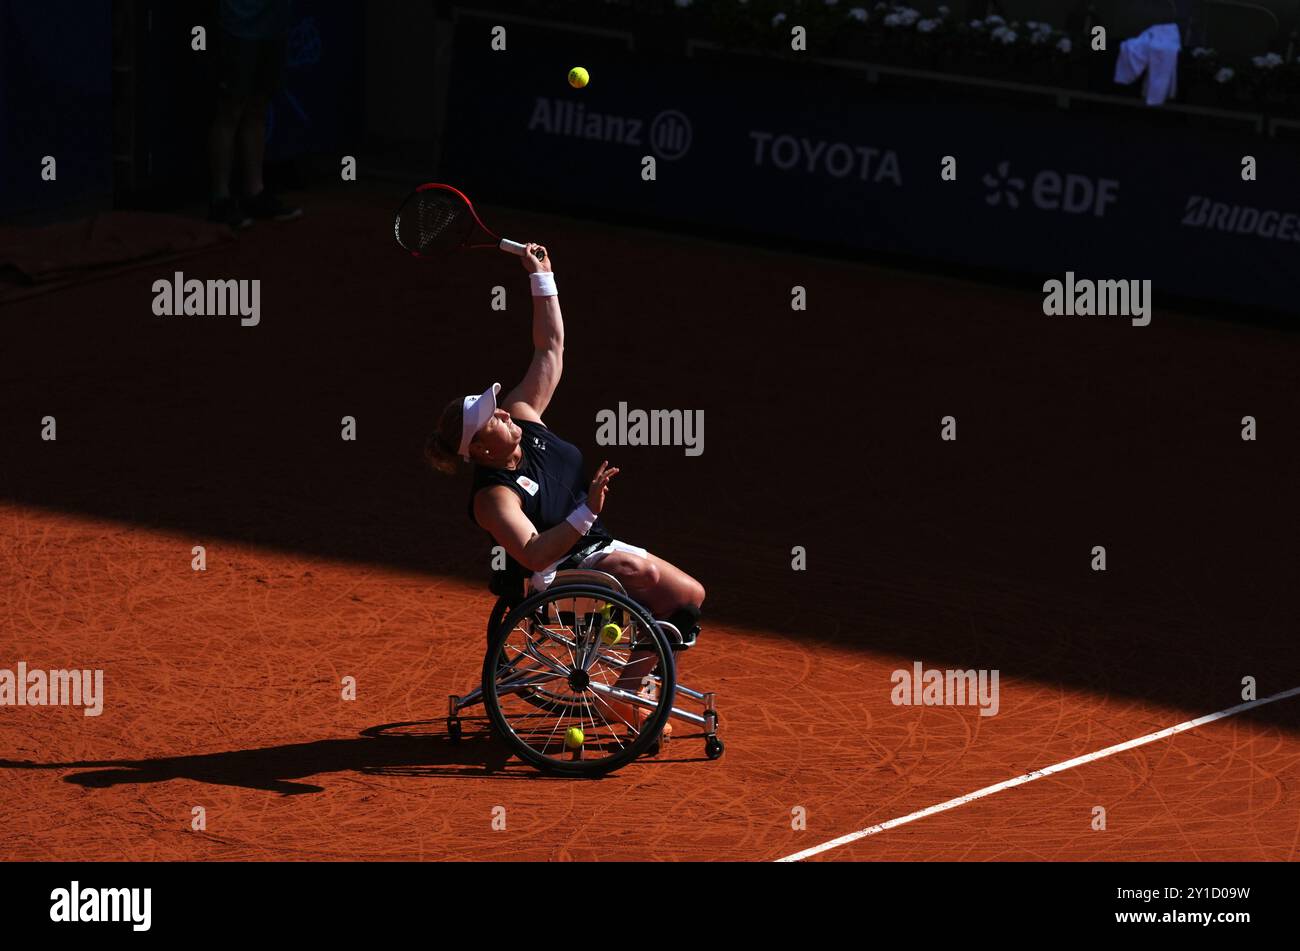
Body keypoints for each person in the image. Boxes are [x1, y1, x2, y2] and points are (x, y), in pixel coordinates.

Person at [424, 243, 705, 733]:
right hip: (559, 572)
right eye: (493, 417)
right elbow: (533, 553)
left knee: (689, 597)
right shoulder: (494, 496)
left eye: (499, 406)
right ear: (480, 447)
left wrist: (542, 278)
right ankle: (629, 694)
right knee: (640, 574)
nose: (505, 411)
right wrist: (588, 511)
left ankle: (626, 688)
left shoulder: (526, 418)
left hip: (593, 545)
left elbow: (549, 348)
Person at [208, 0, 302, 229]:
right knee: (229, 111)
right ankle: (220, 198)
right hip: (238, 24)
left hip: (274, 25)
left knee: (258, 107)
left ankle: (255, 194)